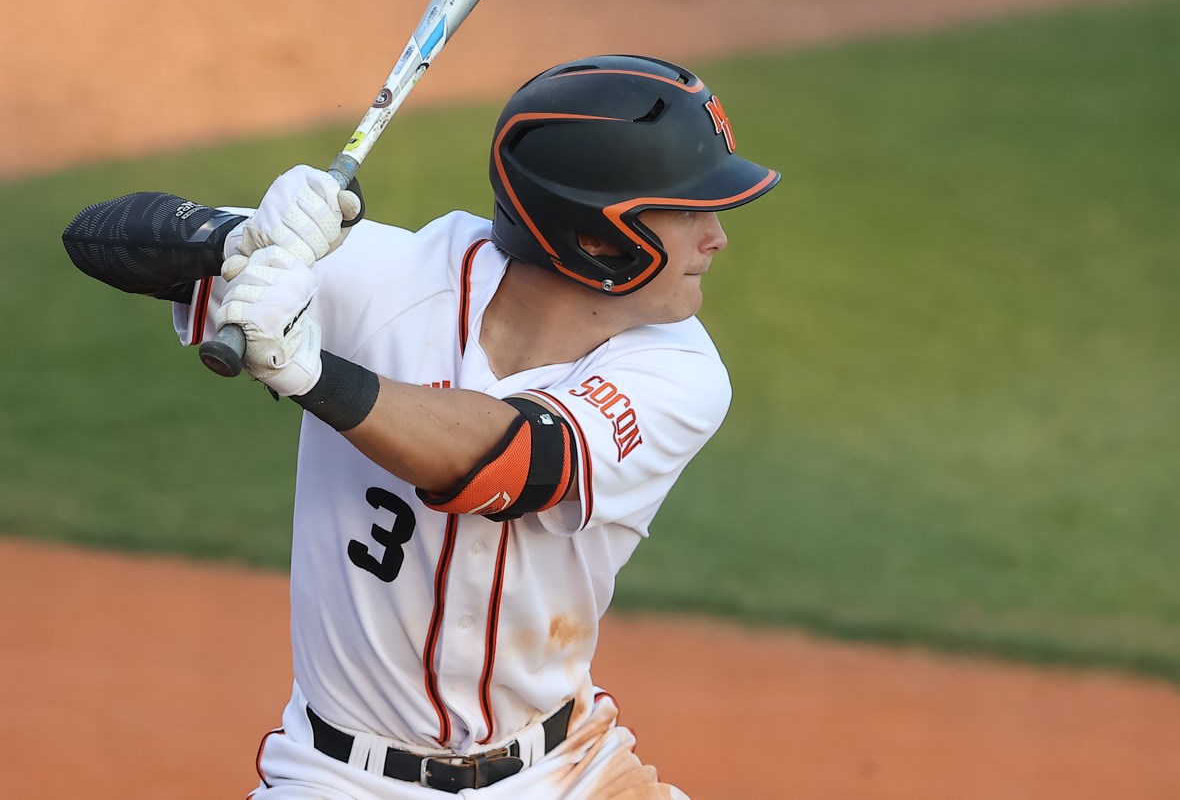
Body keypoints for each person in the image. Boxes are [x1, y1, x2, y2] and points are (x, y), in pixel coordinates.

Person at [61, 54, 780, 798]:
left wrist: (312, 375)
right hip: (339, 779)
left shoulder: (683, 371)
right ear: (600, 239)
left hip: (564, 771)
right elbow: (98, 237)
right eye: (689, 210)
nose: (717, 237)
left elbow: (514, 463)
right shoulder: (394, 278)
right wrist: (228, 242)